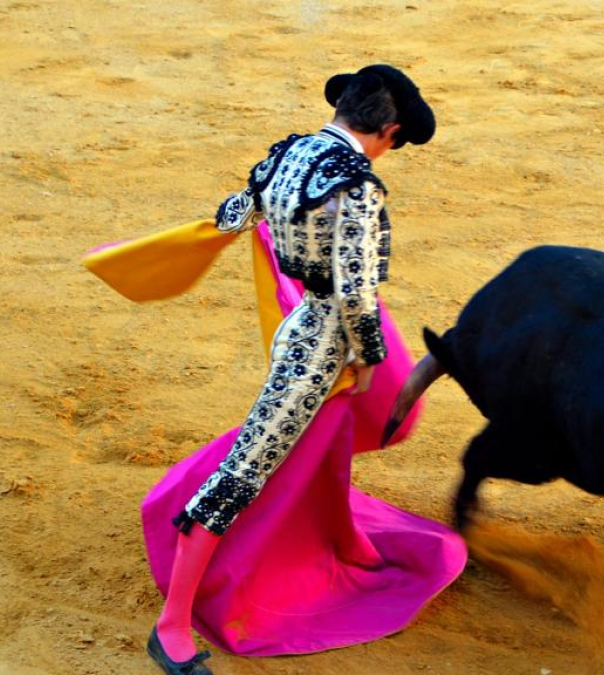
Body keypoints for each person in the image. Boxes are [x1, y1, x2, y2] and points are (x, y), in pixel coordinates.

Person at [146, 64, 436, 675]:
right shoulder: (358, 187)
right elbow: (357, 297)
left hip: (295, 324)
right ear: (384, 130)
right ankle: (171, 625)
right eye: (394, 142)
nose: (389, 153)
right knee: (245, 469)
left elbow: (232, 217)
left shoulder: (286, 155)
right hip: (321, 348)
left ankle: (343, 539)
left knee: (317, 441)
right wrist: (367, 362)